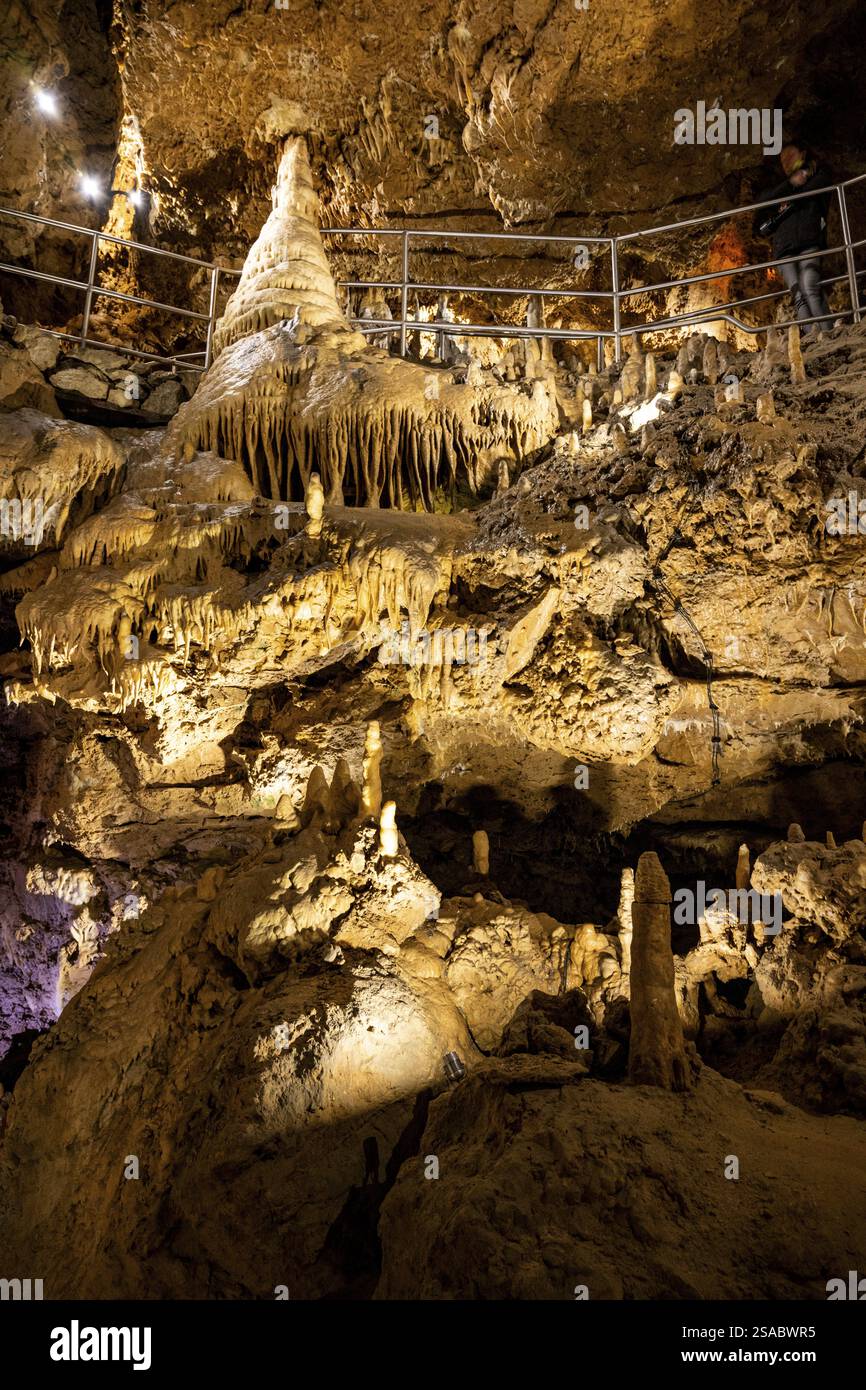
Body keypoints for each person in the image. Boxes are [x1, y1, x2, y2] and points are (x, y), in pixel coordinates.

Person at [754, 143, 835, 335]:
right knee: (798, 294)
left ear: (803, 153)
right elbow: (762, 201)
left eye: (791, 155)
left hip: (809, 241)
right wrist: (790, 183)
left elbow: (816, 189)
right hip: (784, 247)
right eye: (783, 159)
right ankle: (812, 339)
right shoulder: (781, 186)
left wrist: (794, 193)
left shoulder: (819, 175)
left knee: (809, 284)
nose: (787, 161)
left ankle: (829, 335)